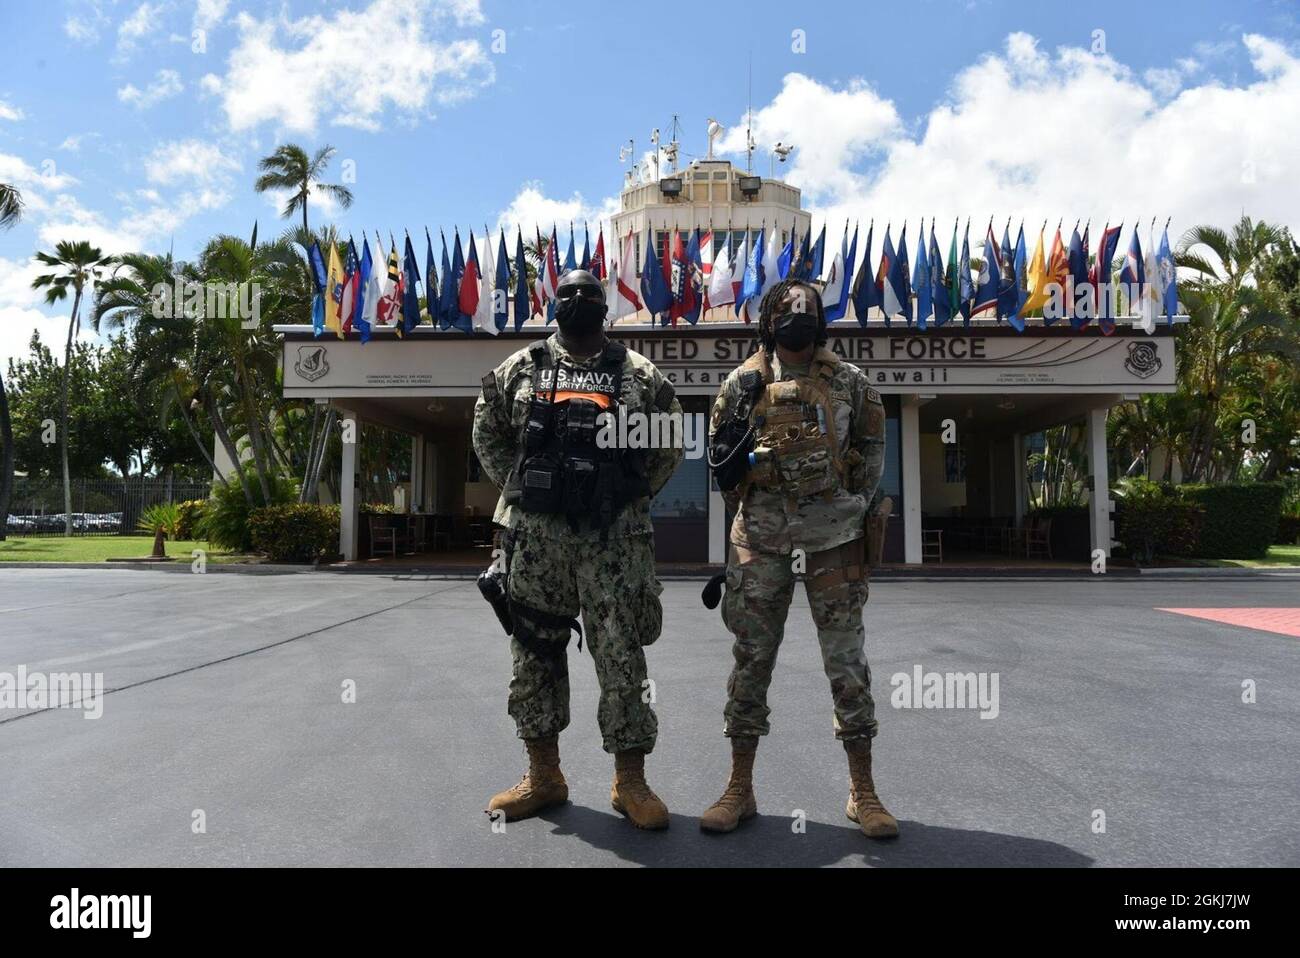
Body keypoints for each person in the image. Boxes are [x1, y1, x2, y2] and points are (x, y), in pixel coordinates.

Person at [472, 268, 684, 829]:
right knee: (534, 652)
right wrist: (518, 490)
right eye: (568, 294)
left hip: (614, 541)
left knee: (622, 654)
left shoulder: (639, 373)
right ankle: (544, 777)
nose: (580, 301)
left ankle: (629, 782)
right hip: (535, 540)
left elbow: (670, 438)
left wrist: (630, 495)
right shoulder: (521, 368)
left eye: (590, 294)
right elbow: (486, 427)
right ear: (553, 303)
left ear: (606, 305)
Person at [701, 277, 897, 838]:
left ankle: (864, 792)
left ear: (822, 321)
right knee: (750, 662)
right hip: (761, 542)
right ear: (769, 319)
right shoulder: (741, 384)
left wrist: (850, 505)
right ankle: (739, 787)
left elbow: (872, 454)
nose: (798, 319)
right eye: (788, 312)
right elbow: (723, 462)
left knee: (847, 665)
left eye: (808, 311)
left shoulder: (852, 384)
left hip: (834, 540)